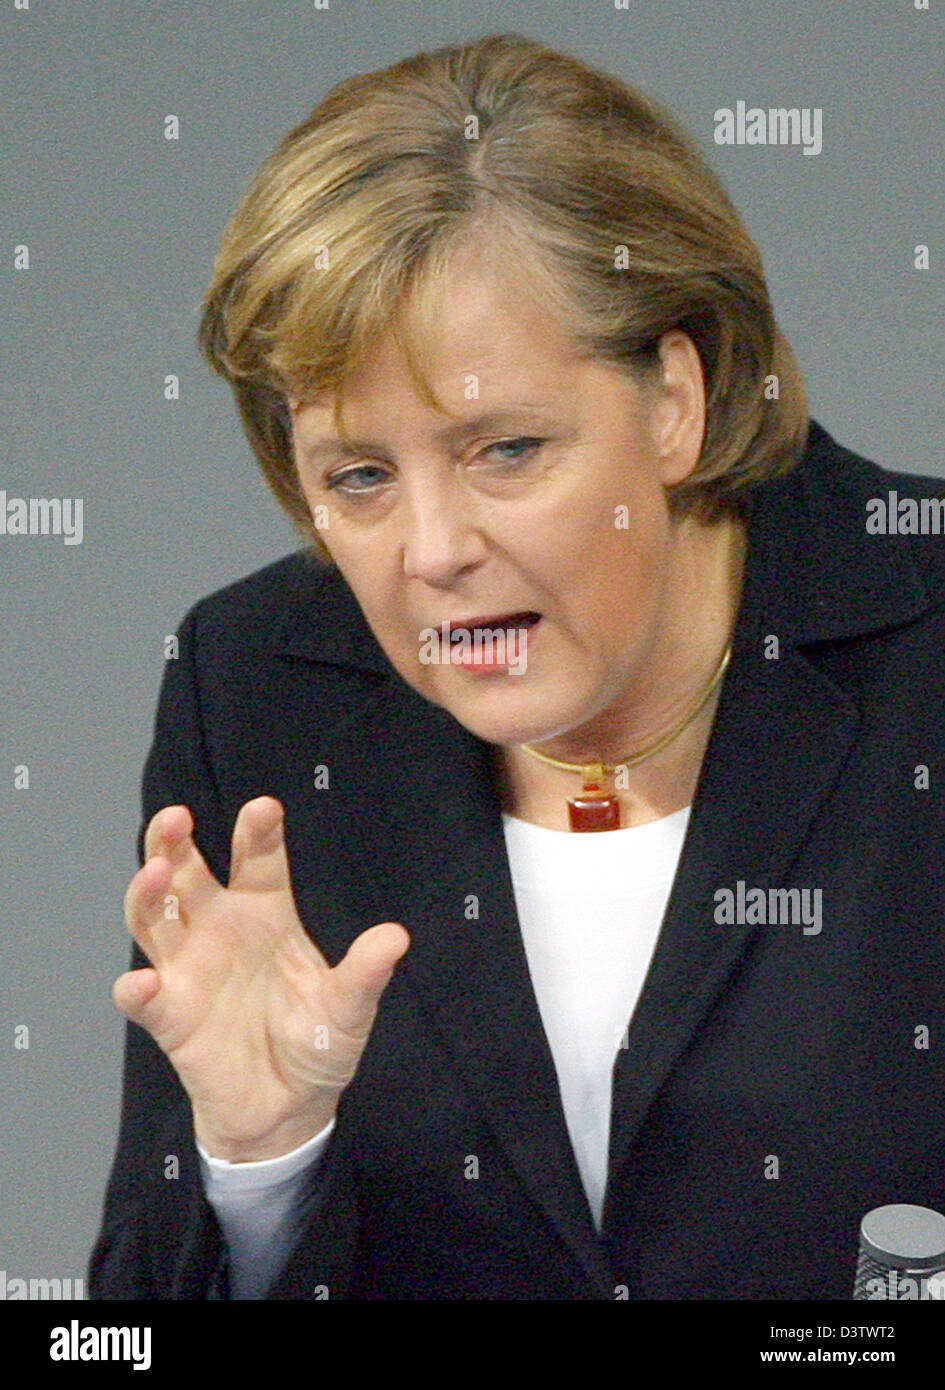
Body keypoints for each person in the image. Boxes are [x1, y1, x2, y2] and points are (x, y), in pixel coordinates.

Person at [88, 32, 945, 1300]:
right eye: (360, 477)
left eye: (505, 451)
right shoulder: (256, 688)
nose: (433, 554)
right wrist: (262, 1159)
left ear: (674, 397)